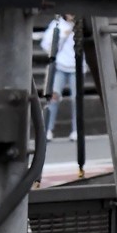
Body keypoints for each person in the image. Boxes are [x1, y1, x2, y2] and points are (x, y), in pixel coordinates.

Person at [41, 13, 78, 141]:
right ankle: (48, 129)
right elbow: (46, 44)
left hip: (76, 66)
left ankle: (76, 130)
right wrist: (63, 35)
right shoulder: (57, 24)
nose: (71, 15)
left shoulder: (81, 25)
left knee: (76, 99)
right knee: (54, 97)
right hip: (60, 65)